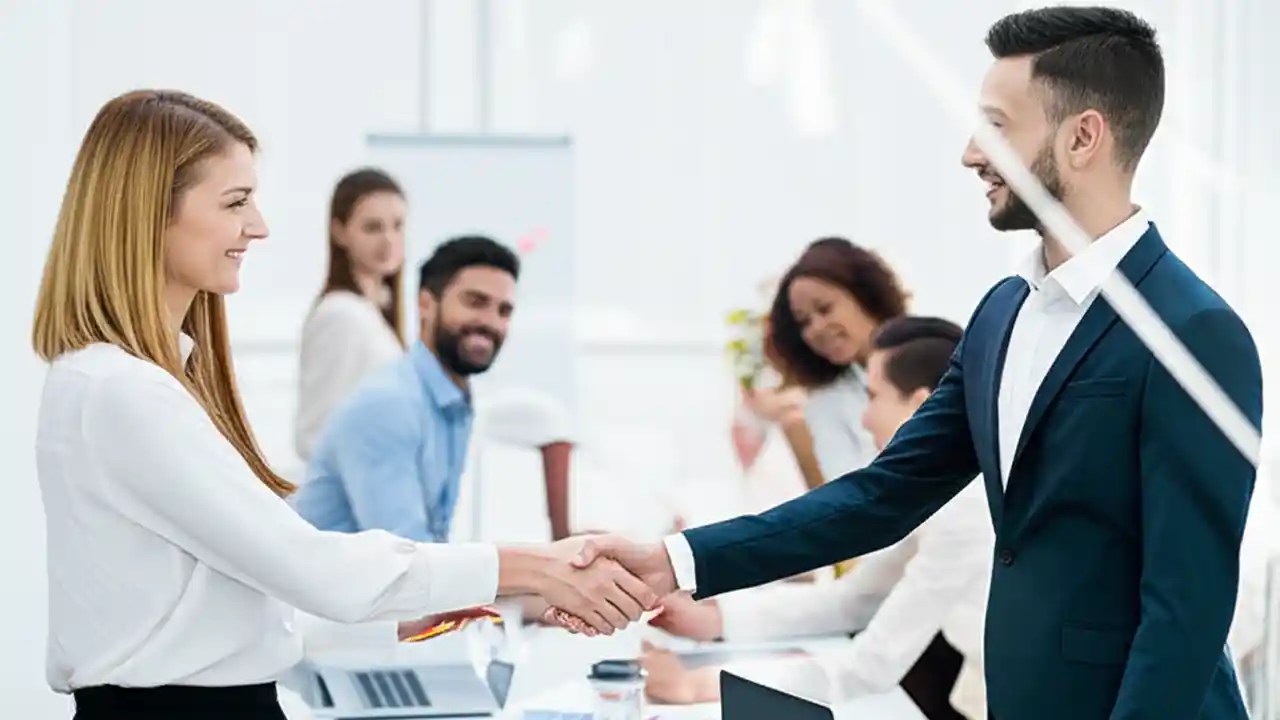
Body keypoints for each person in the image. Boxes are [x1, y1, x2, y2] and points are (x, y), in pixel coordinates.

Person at [571, 8, 1263, 719]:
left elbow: (1186, 608)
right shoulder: (1001, 313)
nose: (971, 152)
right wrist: (676, 560)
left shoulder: (1197, 331)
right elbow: (882, 497)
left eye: (997, 125)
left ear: (1082, 136)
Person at [31, 90, 655, 720]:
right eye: (236, 202)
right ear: (149, 214)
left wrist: (516, 582)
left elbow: (265, 583)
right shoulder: (124, 393)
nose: (260, 226)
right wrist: (535, 567)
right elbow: (314, 568)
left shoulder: (126, 381)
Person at [640, 317, 993, 720]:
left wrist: (699, 685)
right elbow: (854, 600)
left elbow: (870, 666)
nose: (864, 418)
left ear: (921, 405)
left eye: (874, 396)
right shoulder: (943, 496)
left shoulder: (967, 506)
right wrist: (714, 619)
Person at [293, 236, 518, 542]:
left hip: (386, 583)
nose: (491, 322)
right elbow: (406, 556)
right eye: (475, 302)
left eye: (504, 311)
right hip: (335, 587)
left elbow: (433, 549)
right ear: (426, 304)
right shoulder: (389, 404)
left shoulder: (452, 401)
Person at [744, 238, 910, 485]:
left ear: (864, 296)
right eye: (804, 322)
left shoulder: (936, 357)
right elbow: (845, 491)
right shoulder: (824, 402)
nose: (817, 328)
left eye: (824, 309)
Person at [294, 168, 407, 464]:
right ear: (340, 231)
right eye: (372, 227)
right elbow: (314, 434)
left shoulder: (374, 312)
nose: (389, 240)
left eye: (397, 225)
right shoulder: (340, 315)